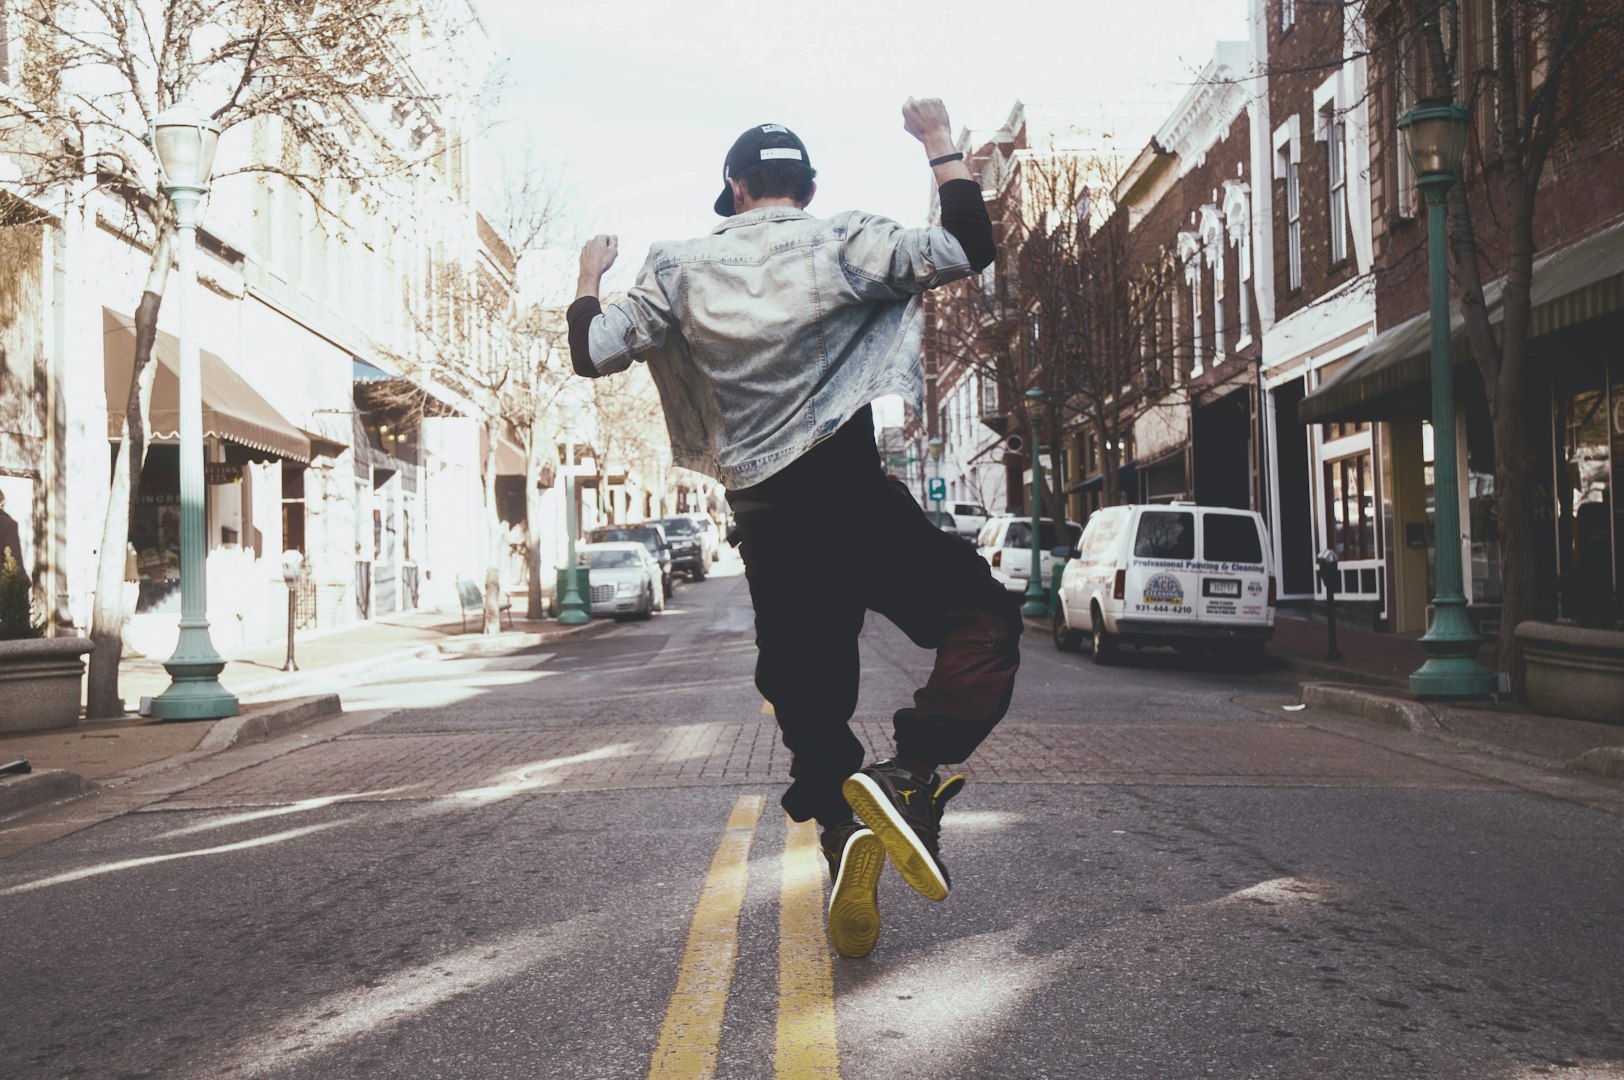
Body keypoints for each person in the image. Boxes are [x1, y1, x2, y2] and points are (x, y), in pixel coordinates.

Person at [567, 98, 1022, 958]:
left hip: (770, 526)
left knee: (812, 713)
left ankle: (846, 832)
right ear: (805, 188)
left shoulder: (677, 267)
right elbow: (968, 245)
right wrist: (937, 144)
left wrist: (591, 275)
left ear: (735, 189)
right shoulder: (845, 239)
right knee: (984, 622)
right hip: (855, 499)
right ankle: (910, 772)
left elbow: (592, 352)